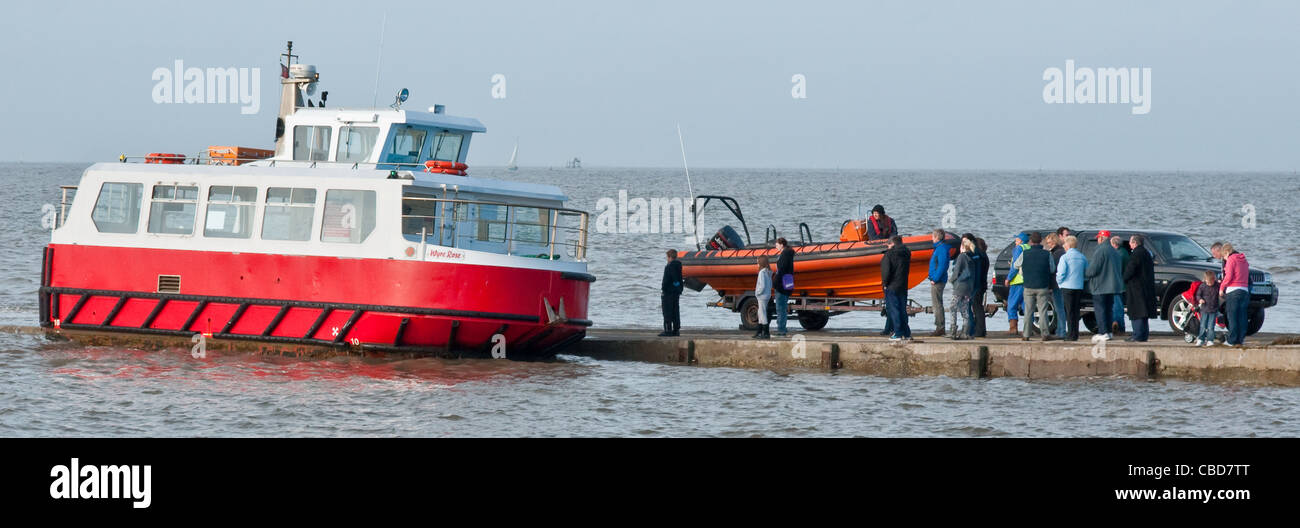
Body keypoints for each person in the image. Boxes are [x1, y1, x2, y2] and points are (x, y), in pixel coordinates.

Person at [1015, 232, 1056, 341]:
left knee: (1028, 311)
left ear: (1031, 242)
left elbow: (1016, 265)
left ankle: (1026, 335)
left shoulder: (1025, 253)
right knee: (1043, 311)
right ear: (1041, 241)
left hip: (1028, 286)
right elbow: (1052, 269)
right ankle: (1045, 334)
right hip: (1042, 286)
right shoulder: (1047, 254)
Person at [1085, 230, 1124, 340]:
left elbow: (1093, 270)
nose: (1097, 240)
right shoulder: (1115, 251)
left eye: (1098, 238)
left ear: (1101, 239)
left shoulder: (1100, 250)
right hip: (1112, 287)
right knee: (1108, 310)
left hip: (1100, 286)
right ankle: (1109, 332)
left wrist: (1085, 272)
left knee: (1100, 310)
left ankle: (1103, 333)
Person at [1123, 234, 1156, 342]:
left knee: (1137, 312)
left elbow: (1131, 269)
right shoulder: (1146, 253)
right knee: (1144, 313)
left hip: (1136, 288)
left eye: (1131, 242)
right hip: (1146, 286)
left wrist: (1123, 278)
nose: (1129, 244)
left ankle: (1137, 335)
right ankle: (1143, 335)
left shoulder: (1136, 254)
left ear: (1135, 243)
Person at [1055, 235, 1088, 341]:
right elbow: (1086, 271)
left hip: (1067, 287)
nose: (1063, 245)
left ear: (1068, 245)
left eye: (1065, 243)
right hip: (1078, 286)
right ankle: (1075, 333)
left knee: (1068, 311)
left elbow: (1061, 273)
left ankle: (1070, 334)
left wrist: (1059, 283)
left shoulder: (1064, 257)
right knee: (1075, 311)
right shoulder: (1082, 257)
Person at [881, 235, 912, 342]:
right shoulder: (906, 253)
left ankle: (898, 333)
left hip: (892, 286)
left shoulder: (888, 255)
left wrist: (885, 283)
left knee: (894, 310)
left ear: (892, 244)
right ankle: (906, 333)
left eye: (888, 244)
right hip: (903, 285)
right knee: (902, 309)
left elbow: (886, 272)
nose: (888, 246)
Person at [1219, 242, 1250, 346]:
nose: (1225, 259)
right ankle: (1240, 340)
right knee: (1242, 316)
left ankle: (1232, 340)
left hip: (1233, 290)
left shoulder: (1231, 259)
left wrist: (1221, 288)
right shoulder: (1244, 260)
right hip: (1244, 291)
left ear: (1227, 252)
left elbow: (1229, 276)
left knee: (1232, 317)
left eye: (1224, 257)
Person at [947, 238, 975, 339]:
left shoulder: (961, 257)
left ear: (962, 246)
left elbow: (956, 272)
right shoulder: (970, 257)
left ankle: (953, 331)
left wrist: (951, 280)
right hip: (968, 287)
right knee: (964, 308)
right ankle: (965, 332)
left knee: (952, 307)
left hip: (960, 287)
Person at [1004, 232, 1030, 336]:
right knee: (1026, 305)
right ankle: (1028, 329)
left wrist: (1008, 278)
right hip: (1027, 281)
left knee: (1012, 304)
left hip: (1017, 281)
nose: (1015, 241)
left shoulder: (1019, 249)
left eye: (1017, 239)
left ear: (1021, 241)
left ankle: (1013, 328)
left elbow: (1015, 265)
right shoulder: (1029, 247)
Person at [928, 229, 952, 336]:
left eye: (933, 237)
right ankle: (940, 326)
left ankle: (940, 327)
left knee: (937, 304)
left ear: (937, 237)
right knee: (937, 303)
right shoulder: (939, 248)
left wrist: (935, 279)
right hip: (937, 279)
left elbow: (942, 266)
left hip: (938, 281)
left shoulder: (941, 249)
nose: (932, 239)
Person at [1045, 233, 1067, 338]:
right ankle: (1060, 330)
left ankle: (1061, 331)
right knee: (1060, 308)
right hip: (1059, 284)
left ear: (1054, 241)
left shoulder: (1057, 253)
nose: (1048, 244)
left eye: (1049, 242)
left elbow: (1052, 269)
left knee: (1059, 308)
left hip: (1057, 285)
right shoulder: (1060, 251)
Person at [773, 237, 796, 337]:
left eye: (777, 244)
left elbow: (781, 270)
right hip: (787, 283)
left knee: (780, 308)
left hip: (781, 285)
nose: (776, 246)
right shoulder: (788, 254)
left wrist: (775, 282)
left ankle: (781, 330)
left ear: (782, 244)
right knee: (782, 307)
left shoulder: (784, 255)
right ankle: (782, 329)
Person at [659, 249, 683, 337]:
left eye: (667, 257)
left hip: (668, 292)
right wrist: (678, 288)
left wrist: (664, 288)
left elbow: (671, 279)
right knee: (675, 311)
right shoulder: (679, 265)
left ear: (669, 257)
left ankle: (668, 330)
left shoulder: (669, 267)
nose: (667, 259)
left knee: (667, 311)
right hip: (676, 293)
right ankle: (676, 330)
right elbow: (678, 279)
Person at [1194, 270, 1220, 347]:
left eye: (1211, 282)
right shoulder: (1202, 286)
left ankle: (1210, 340)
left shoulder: (1217, 285)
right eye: (1208, 282)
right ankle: (1201, 339)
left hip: (1213, 309)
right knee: (1202, 325)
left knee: (1211, 326)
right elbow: (1198, 295)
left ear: (1214, 279)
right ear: (1205, 280)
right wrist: (1200, 299)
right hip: (1204, 309)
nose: (1209, 284)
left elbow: (1222, 291)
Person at [971, 237, 990, 337]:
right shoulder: (984, 255)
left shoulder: (980, 256)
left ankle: (979, 331)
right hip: (983, 284)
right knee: (979, 307)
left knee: (977, 307)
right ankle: (982, 330)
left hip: (979, 284)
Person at [1110, 236, 1129, 336]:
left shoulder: (1118, 255)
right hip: (1122, 284)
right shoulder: (1124, 252)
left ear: (1114, 244)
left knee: (1117, 307)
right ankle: (1119, 326)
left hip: (1117, 285)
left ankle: (1120, 327)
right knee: (1118, 306)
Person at [753, 255, 773, 339]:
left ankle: (766, 332)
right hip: (767, 295)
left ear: (761, 263)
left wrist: (757, 293)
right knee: (760, 313)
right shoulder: (768, 272)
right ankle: (759, 332)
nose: (757, 264)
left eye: (757, 262)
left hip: (762, 296)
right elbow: (770, 284)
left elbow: (762, 285)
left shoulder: (761, 273)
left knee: (762, 314)